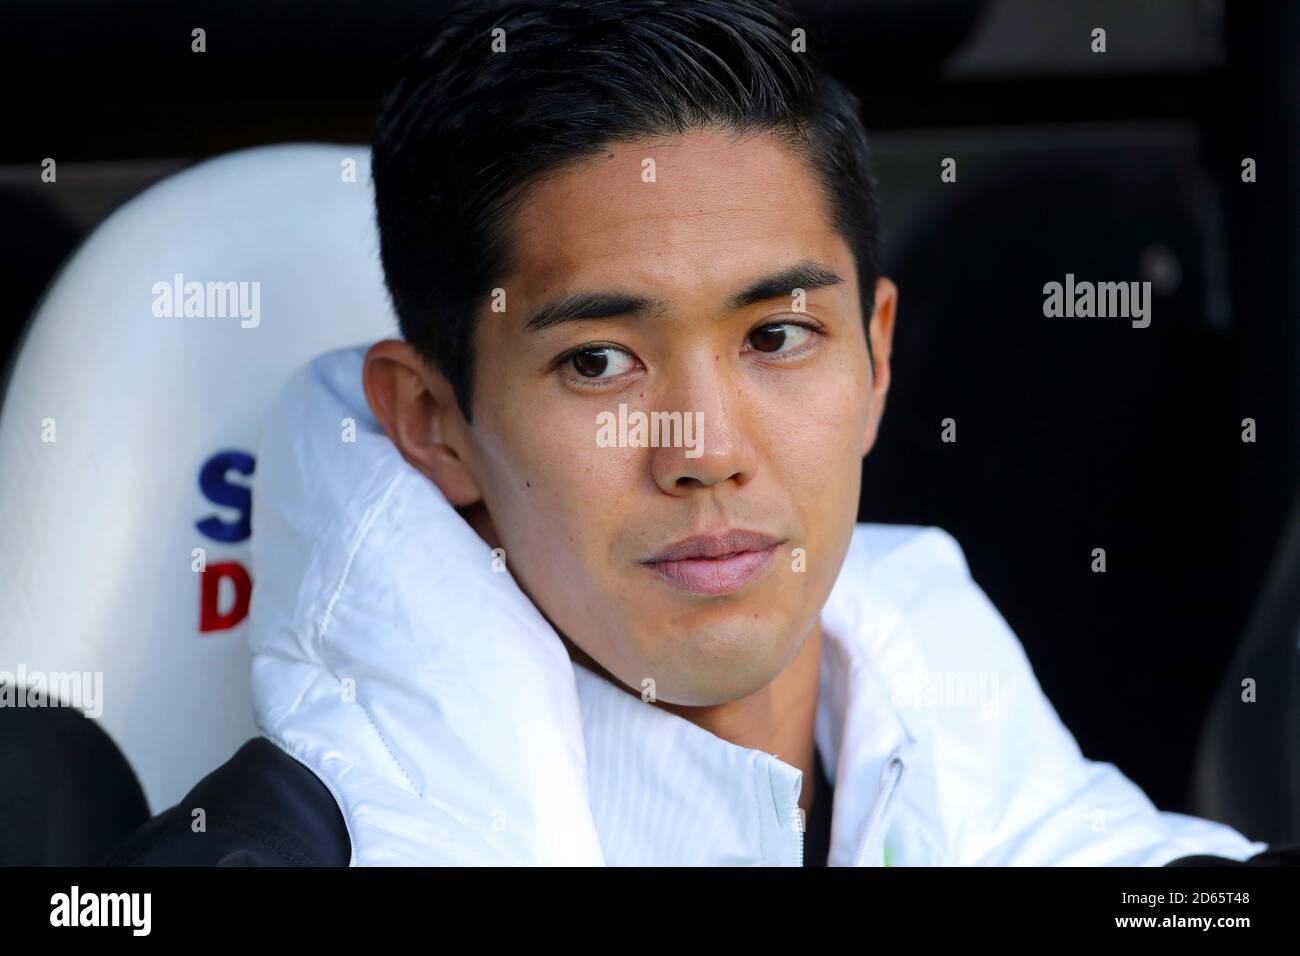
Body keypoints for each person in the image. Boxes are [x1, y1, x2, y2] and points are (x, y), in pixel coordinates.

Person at [104, 0, 1285, 867]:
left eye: (776, 336)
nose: (705, 446)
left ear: (876, 356)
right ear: (435, 422)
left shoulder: (934, 683)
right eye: (599, 360)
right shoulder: (292, 848)